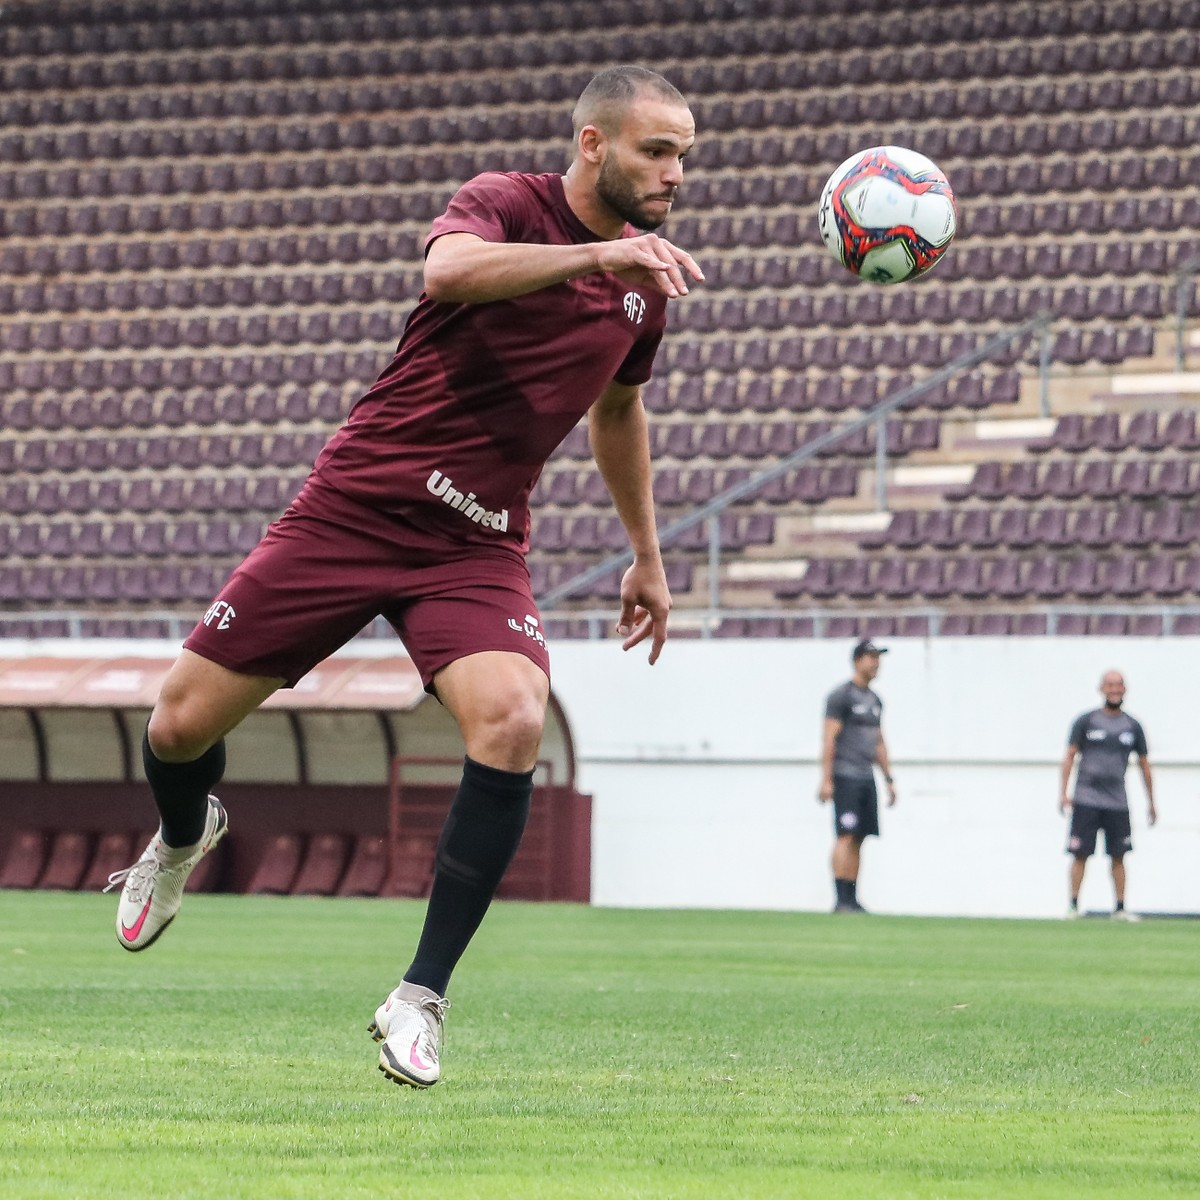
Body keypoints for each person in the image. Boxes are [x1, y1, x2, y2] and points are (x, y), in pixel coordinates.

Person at [104, 65, 703, 1089]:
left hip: (472, 543)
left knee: (515, 717)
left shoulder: (645, 292)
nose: (676, 174)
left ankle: (420, 995)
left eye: (685, 155)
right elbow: (450, 274)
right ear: (596, 146)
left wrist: (647, 556)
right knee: (175, 728)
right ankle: (183, 830)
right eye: (658, 150)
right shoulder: (509, 200)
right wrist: (599, 254)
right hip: (354, 507)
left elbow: (615, 412)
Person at [1060, 670, 1156, 921]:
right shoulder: (1086, 721)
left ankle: (1120, 908)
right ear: (1101, 688)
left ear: (1125, 689)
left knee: (1119, 855)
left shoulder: (1133, 726)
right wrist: (1064, 793)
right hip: (1086, 799)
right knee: (1080, 854)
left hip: (1117, 802)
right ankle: (1073, 906)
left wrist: (1151, 802)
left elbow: (1145, 765)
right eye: (1110, 684)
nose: (1114, 689)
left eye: (1119, 685)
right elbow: (1069, 756)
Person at [818, 639, 897, 913]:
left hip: (866, 776)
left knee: (860, 836)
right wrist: (826, 779)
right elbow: (829, 739)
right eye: (871, 657)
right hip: (846, 775)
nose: (876, 663)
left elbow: (879, 742)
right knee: (846, 835)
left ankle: (852, 897)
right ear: (857, 660)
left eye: (878, 658)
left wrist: (888, 779)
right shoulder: (841, 696)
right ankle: (840, 898)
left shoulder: (875, 701)